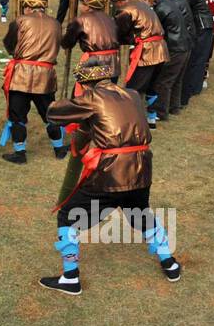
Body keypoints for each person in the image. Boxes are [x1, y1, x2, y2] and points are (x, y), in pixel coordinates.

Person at [42, 55, 180, 295]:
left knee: (67, 216)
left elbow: (54, 112)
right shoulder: (133, 95)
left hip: (111, 172)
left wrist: (70, 102)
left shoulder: (91, 98)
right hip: (142, 168)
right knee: (139, 213)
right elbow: (98, 125)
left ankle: (70, 277)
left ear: (84, 83)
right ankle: (170, 262)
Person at [1, 0, 64, 163]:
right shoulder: (56, 23)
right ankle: (58, 148)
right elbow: (58, 45)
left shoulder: (20, 21)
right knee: (49, 113)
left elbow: (9, 44)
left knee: (17, 114)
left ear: (28, 7)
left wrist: (18, 55)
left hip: (21, 75)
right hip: (45, 75)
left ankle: (20, 153)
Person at [112, 0, 167, 126]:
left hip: (147, 51)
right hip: (161, 48)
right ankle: (151, 118)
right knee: (151, 86)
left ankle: (128, 120)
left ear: (119, 1)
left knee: (133, 87)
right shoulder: (142, 4)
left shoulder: (125, 10)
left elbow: (119, 33)